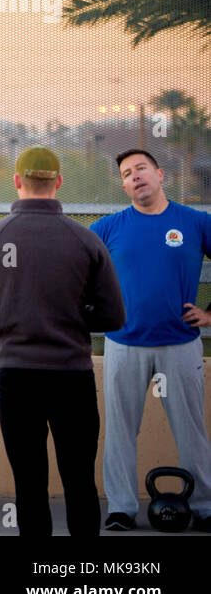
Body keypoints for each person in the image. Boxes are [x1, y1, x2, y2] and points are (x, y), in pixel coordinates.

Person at [0, 147, 125, 537]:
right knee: (80, 479)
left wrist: (5, 313)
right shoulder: (85, 240)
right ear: (59, 183)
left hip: (15, 376)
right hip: (71, 375)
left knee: (29, 484)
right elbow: (114, 317)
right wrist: (73, 315)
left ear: (16, 182)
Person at [91, 149, 211, 531]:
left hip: (180, 344)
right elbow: (74, 271)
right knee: (122, 429)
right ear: (123, 185)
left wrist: (210, 314)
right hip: (124, 344)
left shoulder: (194, 222)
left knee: (192, 430)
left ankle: (205, 507)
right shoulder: (108, 228)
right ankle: (122, 509)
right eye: (127, 173)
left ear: (161, 175)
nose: (135, 176)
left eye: (141, 168)